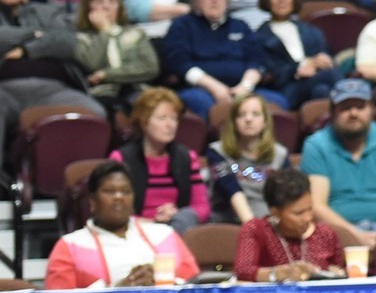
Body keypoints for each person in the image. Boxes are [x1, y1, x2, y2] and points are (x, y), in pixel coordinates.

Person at [44, 161, 199, 289]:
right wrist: (118, 290)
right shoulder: (69, 246)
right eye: (110, 191)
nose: (119, 197)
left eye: (126, 191)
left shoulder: (164, 235)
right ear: (92, 201)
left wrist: (161, 283)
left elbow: (195, 287)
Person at [302, 77, 376, 244]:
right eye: (345, 108)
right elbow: (318, 206)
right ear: (332, 112)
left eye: (360, 107)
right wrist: (355, 236)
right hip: (335, 232)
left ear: (372, 110)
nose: (353, 114)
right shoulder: (316, 145)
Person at [159, 0, 282, 115]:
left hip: (242, 88)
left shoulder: (240, 26)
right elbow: (178, 62)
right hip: (201, 90)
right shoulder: (182, 25)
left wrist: (245, 87)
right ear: (196, 0)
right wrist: (215, 88)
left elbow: (257, 60)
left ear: (227, 0)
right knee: (197, 100)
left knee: (277, 101)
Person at [117, 87, 211, 234]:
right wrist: (152, 223)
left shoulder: (187, 157)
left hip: (177, 229)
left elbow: (202, 207)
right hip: (135, 231)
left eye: (173, 118)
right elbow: (114, 211)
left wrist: (177, 215)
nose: (170, 125)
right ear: (143, 122)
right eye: (162, 118)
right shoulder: (122, 159)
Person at [234, 167, 344, 281]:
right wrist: (280, 274)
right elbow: (243, 271)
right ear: (275, 212)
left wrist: (336, 273)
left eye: (310, 209)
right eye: (298, 213)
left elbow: (340, 271)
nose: (308, 218)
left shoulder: (326, 234)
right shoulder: (256, 229)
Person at [253, 0, 337, 109]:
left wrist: (322, 61)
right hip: (286, 90)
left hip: (315, 82)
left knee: (321, 91)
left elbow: (326, 58)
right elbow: (271, 74)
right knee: (330, 75)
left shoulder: (311, 31)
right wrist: (304, 65)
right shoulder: (259, 36)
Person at [75, 0, 160, 110]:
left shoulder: (135, 33)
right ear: (88, 7)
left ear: (119, 6)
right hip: (101, 94)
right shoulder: (82, 38)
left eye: (112, 2)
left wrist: (106, 74)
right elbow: (92, 64)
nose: (106, 7)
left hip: (138, 89)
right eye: (99, 2)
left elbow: (150, 67)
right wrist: (104, 32)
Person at [208, 91, 289, 223]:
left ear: (265, 121)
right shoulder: (217, 152)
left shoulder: (280, 154)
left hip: (270, 222)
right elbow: (231, 188)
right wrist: (253, 227)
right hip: (229, 223)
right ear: (234, 122)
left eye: (255, 114)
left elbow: (287, 195)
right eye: (241, 115)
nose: (248, 119)